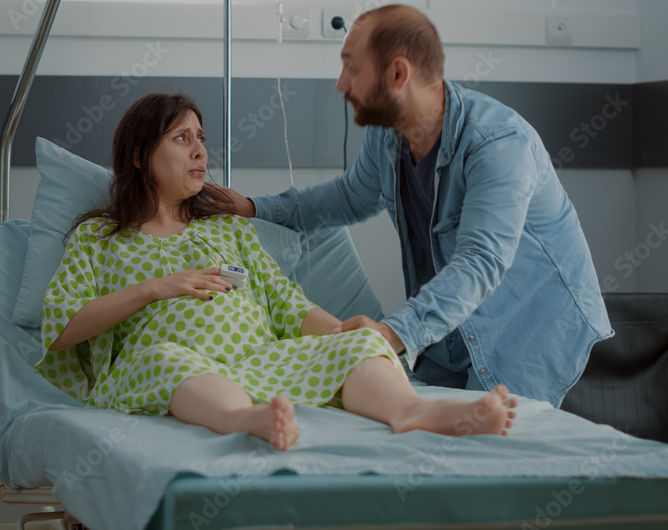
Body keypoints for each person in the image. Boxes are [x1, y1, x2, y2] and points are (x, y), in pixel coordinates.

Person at [36, 92, 516, 451]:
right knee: (167, 356)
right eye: (181, 138)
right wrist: (157, 288)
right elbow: (62, 326)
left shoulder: (230, 231)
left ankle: (415, 412)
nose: (200, 151)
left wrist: (343, 333)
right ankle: (248, 421)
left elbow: (286, 303)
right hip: (164, 366)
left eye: (201, 138)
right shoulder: (100, 238)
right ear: (140, 156)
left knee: (363, 339)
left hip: (259, 362)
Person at [207, 4, 612, 407]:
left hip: (528, 330)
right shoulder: (390, 137)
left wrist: (393, 333)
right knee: (427, 437)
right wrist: (253, 208)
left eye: (352, 67)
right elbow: (348, 198)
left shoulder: (497, 144)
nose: (341, 84)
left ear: (398, 73)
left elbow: (481, 261)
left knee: (491, 456)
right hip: (450, 332)